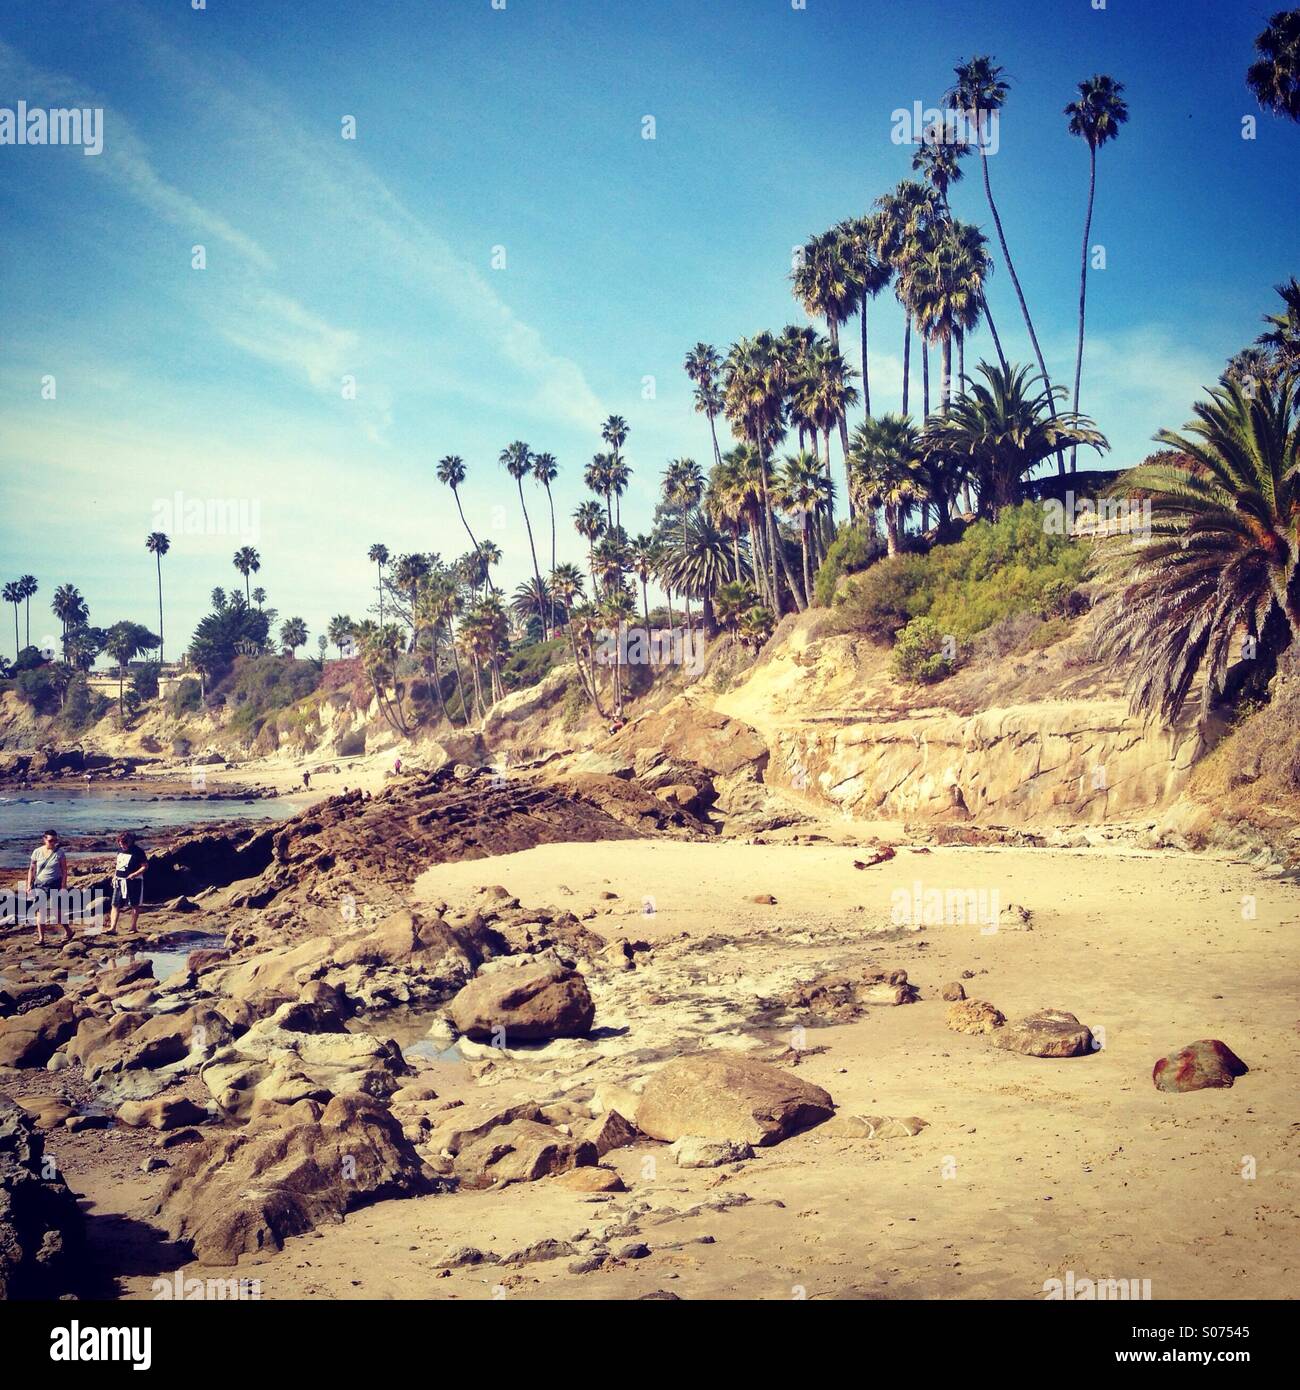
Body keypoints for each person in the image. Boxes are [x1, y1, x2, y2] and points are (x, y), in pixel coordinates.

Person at [26, 829, 71, 946]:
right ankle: (41, 938)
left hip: (55, 883)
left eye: (55, 840)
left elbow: (64, 871)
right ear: (44, 839)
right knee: (40, 911)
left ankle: (69, 931)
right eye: (51, 840)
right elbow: (31, 869)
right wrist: (28, 885)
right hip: (40, 885)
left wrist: (63, 886)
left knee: (57, 912)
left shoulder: (59, 853)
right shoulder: (37, 852)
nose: (53, 843)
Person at [108, 831, 148, 935]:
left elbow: (145, 866)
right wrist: (114, 876)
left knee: (134, 904)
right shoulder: (120, 850)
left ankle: (133, 927)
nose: (122, 845)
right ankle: (112, 928)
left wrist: (134, 874)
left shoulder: (138, 851)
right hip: (119, 881)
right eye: (120, 843)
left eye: (124, 843)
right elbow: (118, 865)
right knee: (115, 904)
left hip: (134, 881)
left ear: (130, 842)